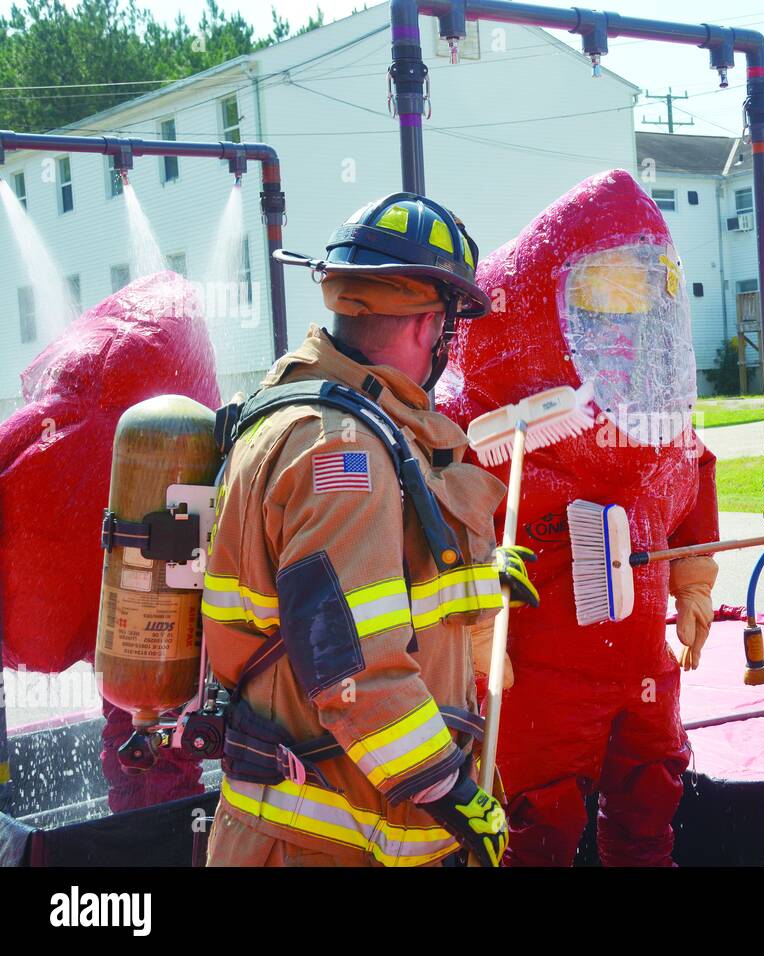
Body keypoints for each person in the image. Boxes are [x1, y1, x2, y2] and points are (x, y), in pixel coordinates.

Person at [200, 193, 537, 867]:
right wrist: (451, 789)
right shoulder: (341, 451)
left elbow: (355, 588)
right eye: (450, 324)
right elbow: (355, 671)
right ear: (428, 324)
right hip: (323, 843)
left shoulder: (322, 422)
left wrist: (476, 573)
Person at [439, 169, 719, 866]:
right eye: (609, 293)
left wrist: (693, 582)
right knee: (537, 813)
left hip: (640, 663)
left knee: (650, 790)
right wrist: (475, 628)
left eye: (648, 290)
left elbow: (692, 483)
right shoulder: (478, 422)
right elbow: (438, 523)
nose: (631, 314)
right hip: (538, 673)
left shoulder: (658, 425)